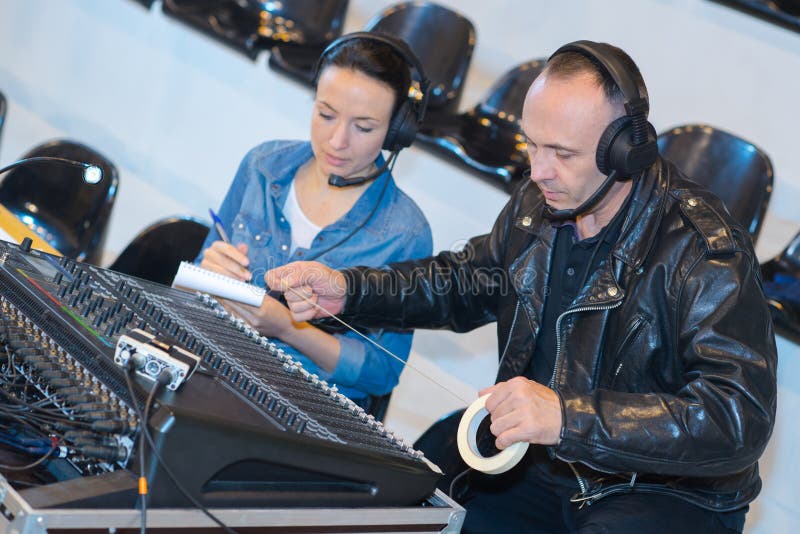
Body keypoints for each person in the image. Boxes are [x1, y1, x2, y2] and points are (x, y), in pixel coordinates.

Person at [265, 41, 777, 533]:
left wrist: (567, 418)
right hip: (542, 455)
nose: (538, 170)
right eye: (533, 145)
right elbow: (466, 281)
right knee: (409, 490)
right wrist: (349, 291)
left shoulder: (704, 251)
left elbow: (737, 417)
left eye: (562, 153)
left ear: (627, 151)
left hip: (660, 489)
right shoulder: (542, 202)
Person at [196, 32, 433, 410]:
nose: (337, 140)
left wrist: (290, 328)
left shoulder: (405, 232)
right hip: (214, 369)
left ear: (396, 130)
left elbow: (381, 372)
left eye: (364, 127)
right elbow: (198, 273)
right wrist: (206, 275)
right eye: (325, 114)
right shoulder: (262, 165)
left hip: (302, 407)